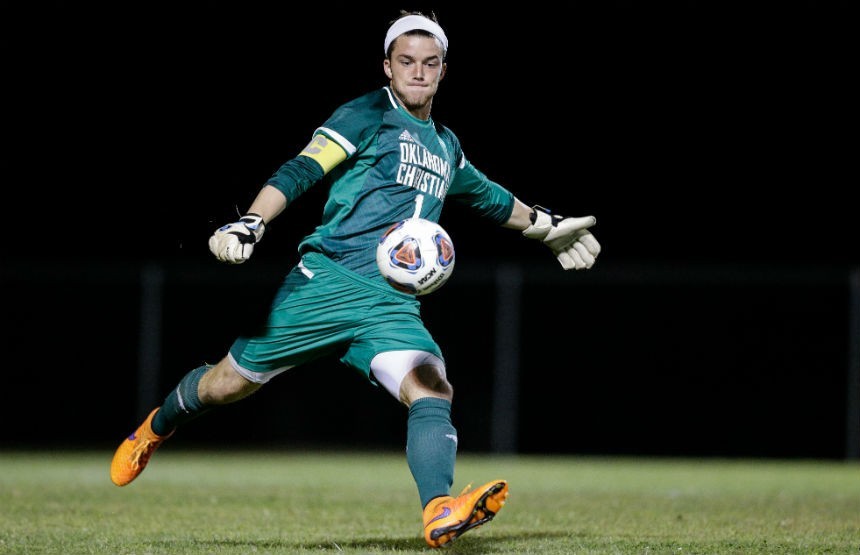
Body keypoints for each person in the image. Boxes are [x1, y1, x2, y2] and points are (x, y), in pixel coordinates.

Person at [110, 10, 601, 548]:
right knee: (226, 384)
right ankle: (156, 426)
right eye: (406, 62)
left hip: (392, 304)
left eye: (429, 63)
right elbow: (304, 167)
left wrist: (544, 227)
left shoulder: (445, 145)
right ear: (387, 67)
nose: (418, 72)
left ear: (443, 71)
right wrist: (252, 220)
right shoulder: (365, 114)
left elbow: (486, 194)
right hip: (326, 284)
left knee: (433, 389)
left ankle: (439, 510)